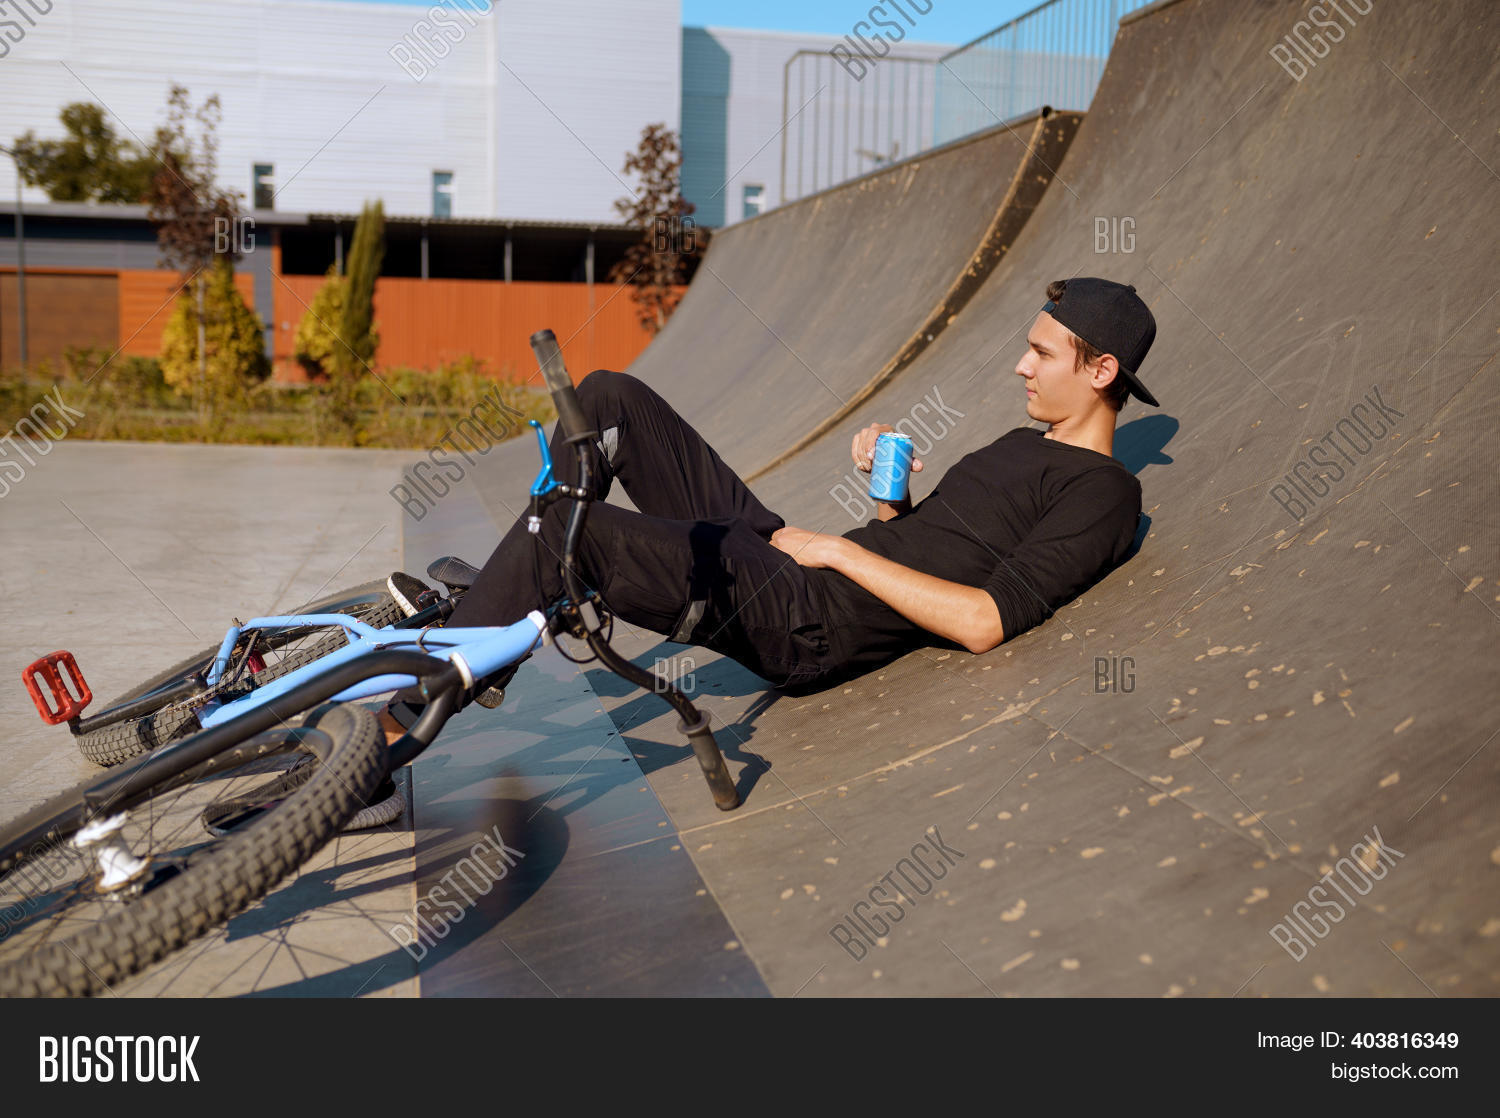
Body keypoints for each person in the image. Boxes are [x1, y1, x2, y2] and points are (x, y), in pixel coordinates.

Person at [377, 276, 1157, 741]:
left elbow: (986, 620)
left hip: (808, 619)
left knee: (564, 536)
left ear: (1103, 371)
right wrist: (890, 501)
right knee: (611, 397)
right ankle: (502, 603)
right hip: (793, 562)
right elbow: (927, 550)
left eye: (1044, 353)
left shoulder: (1104, 492)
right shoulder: (1026, 443)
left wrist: (843, 553)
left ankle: (392, 738)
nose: (1021, 364)